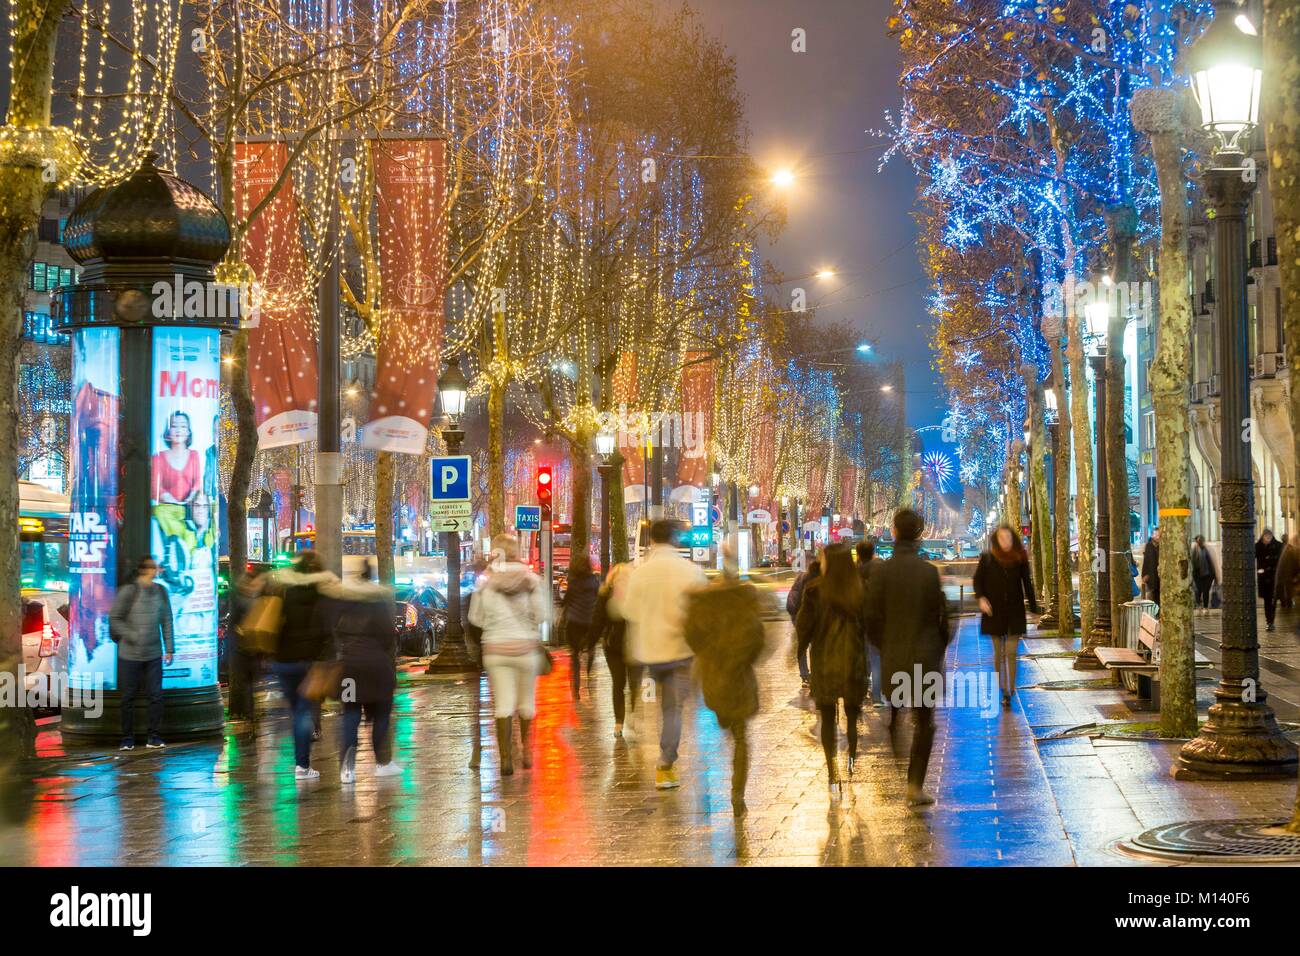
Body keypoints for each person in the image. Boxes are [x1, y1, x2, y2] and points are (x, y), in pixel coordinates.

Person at [865, 508, 952, 807]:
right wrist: (939, 647)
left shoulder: (882, 572)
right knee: (925, 721)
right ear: (919, 533)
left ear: (894, 531)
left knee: (896, 710)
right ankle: (915, 785)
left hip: (895, 654)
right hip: (925, 655)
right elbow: (943, 618)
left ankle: (895, 740)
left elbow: (871, 616)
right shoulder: (928, 572)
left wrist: (884, 644)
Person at [611, 519, 706, 790]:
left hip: (650, 651)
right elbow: (701, 611)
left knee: (660, 704)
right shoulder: (690, 571)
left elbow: (628, 611)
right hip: (680, 649)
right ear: (675, 539)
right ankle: (666, 762)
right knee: (673, 707)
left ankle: (663, 754)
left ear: (651, 540)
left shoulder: (641, 573)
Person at [684, 542, 766, 815]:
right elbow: (757, 638)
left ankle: (731, 790)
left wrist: (708, 653)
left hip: (714, 674)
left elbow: (691, 634)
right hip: (739, 674)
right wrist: (743, 659)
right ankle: (736, 793)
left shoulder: (704, 600)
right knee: (741, 737)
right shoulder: (746, 598)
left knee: (727, 721)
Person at [468, 533, 546, 777]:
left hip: (495, 649)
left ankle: (505, 760)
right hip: (525, 648)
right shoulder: (531, 580)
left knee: (503, 704)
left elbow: (475, 618)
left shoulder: (486, 582)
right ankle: (526, 752)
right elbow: (542, 615)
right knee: (526, 702)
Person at [796, 542, 867, 801]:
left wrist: (799, 650)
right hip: (853, 661)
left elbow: (804, 627)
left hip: (825, 662)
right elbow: (869, 625)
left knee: (827, 718)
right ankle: (851, 758)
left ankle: (831, 770)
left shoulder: (814, 590)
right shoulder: (859, 590)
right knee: (851, 714)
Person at [265, 550, 338, 779]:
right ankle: (302, 766)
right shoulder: (322, 596)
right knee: (303, 712)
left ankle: (300, 763)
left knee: (296, 711)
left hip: (282, 660)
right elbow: (328, 632)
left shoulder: (283, 592)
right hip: (309, 663)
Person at [331, 559, 403, 783]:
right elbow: (388, 635)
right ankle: (382, 762)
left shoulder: (342, 603)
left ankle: (346, 768)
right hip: (376, 668)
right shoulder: (377, 602)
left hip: (349, 669)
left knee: (350, 714)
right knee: (381, 713)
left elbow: (335, 632)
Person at [109, 556, 174, 750]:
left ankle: (153, 736)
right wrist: (132, 635)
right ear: (145, 570)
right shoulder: (129, 592)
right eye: (154, 567)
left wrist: (169, 648)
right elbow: (115, 618)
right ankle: (127, 738)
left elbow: (167, 621)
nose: (157, 571)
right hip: (130, 654)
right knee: (128, 697)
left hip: (153, 652)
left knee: (156, 695)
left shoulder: (161, 592)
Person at [973, 525, 1040, 708]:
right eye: (1002, 538)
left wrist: (1034, 607)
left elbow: (1027, 583)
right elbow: (977, 580)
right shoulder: (988, 558)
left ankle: (1009, 691)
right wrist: (981, 598)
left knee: (1010, 652)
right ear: (996, 539)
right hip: (993, 613)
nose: (1005, 541)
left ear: (1013, 539)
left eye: (1008, 538)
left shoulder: (1020, 558)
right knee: (998, 653)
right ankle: (1001, 687)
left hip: (1014, 612)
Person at [593, 562, 641, 736]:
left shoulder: (637, 596)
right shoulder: (606, 596)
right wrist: (591, 641)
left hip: (633, 646)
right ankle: (619, 721)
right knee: (619, 684)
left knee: (632, 683)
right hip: (615, 647)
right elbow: (598, 620)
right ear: (612, 580)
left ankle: (631, 716)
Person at [228, 565, 266, 721]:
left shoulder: (250, 596)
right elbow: (234, 623)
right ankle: (249, 712)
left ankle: (249, 711)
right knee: (248, 681)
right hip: (246, 645)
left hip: (250, 646)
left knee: (250, 681)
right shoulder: (248, 599)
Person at [562, 553, 600, 700]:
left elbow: (567, 601)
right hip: (590, 622)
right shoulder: (594, 581)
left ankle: (576, 688)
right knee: (591, 651)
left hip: (574, 622)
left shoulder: (573, 582)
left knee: (575, 655)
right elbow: (598, 599)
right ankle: (589, 680)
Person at [855, 539, 886, 708]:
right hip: (878, 619)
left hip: (860, 620)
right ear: (873, 552)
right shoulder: (880, 570)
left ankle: (864, 686)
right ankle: (876, 697)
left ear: (859, 554)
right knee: (876, 657)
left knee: (864, 655)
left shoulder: (855, 572)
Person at [786, 557, 821, 691]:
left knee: (802, 646)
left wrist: (795, 616)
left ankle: (805, 676)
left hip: (801, 618)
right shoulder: (822, 581)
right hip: (815, 619)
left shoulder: (801, 578)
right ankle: (814, 673)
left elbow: (792, 600)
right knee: (814, 646)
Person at [152, 410, 202, 505]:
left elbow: (198, 482)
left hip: (189, 508)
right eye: (174, 426)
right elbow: (155, 488)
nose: (178, 430)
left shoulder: (194, 455)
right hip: (165, 510)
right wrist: (174, 503)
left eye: (183, 426)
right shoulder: (157, 458)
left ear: (188, 431)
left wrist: (190, 500)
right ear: (168, 432)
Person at [1256, 529, 1283, 632]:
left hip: (1274, 578)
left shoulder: (1278, 546)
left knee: (1273, 600)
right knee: (1268, 601)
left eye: (1269, 536)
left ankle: (1271, 620)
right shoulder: (1258, 546)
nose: (1267, 538)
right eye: (1265, 536)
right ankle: (1269, 621)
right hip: (1264, 579)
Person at [1191, 535, 1217, 614]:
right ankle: (1199, 605)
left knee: (1206, 591)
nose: (1200, 542)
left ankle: (1205, 607)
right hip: (1197, 575)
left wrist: (1215, 575)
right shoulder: (1194, 550)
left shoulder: (1207, 549)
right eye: (1199, 541)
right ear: (1196, 541)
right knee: (1198, 590)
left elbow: (1212, 562)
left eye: (1201, 540)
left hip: (1208, 575)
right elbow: (1192, 562)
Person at [1141, 528, 1161, 606]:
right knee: (1153, 596)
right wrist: (1144, 574)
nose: (1157, 537)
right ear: (1152, 535)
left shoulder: (1161, 546)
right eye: (1156, 535)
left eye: (1159, 535)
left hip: (1159, 576)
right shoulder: (1149, 546)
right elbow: (1146, 562)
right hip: (1151, 576)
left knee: (1158, 595)